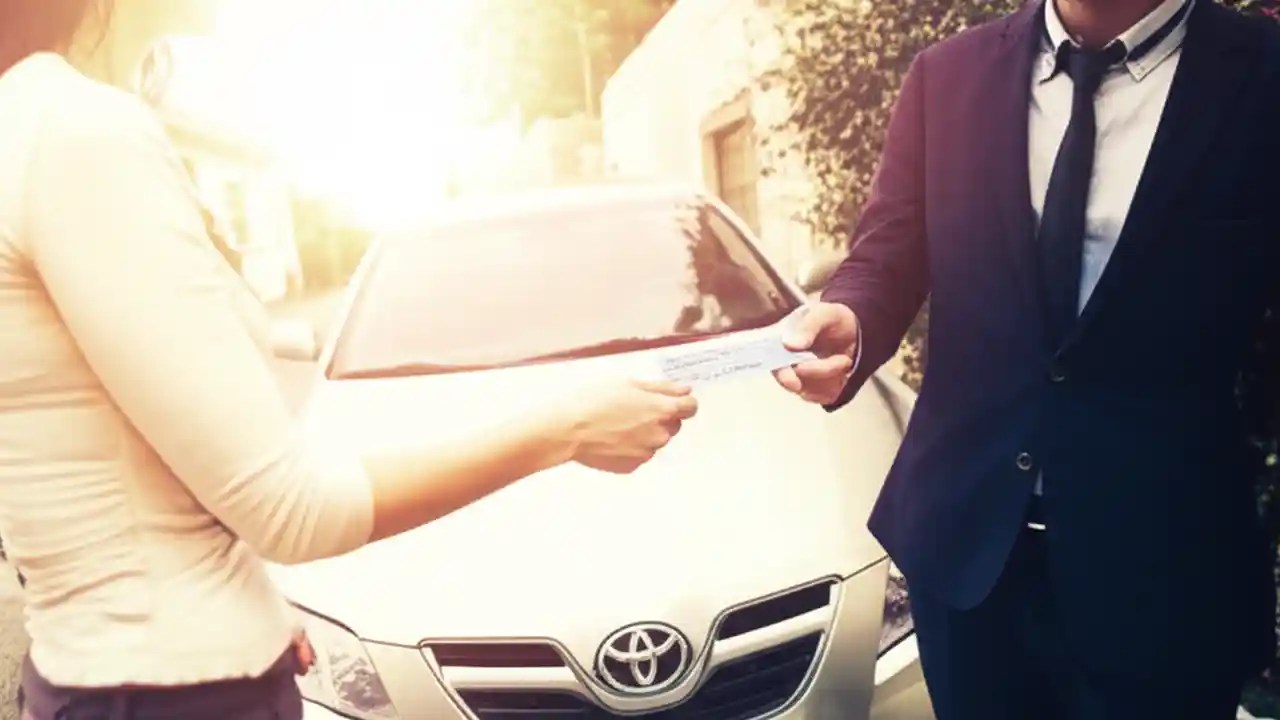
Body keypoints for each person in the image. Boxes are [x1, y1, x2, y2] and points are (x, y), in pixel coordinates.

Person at [0, 2, 698, 718]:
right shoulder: (79, 136)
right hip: (173, 698)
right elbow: (294, 510)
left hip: (119, 677)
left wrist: (247, 604)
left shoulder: (37, 122)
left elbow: (126, 463)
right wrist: (568, 428)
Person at [775, 0, 1280, 717]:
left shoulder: (1261, 76)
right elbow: (888, 248)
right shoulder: (945, 77)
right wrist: (852, 320)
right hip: (969, 560)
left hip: (1167, 572)